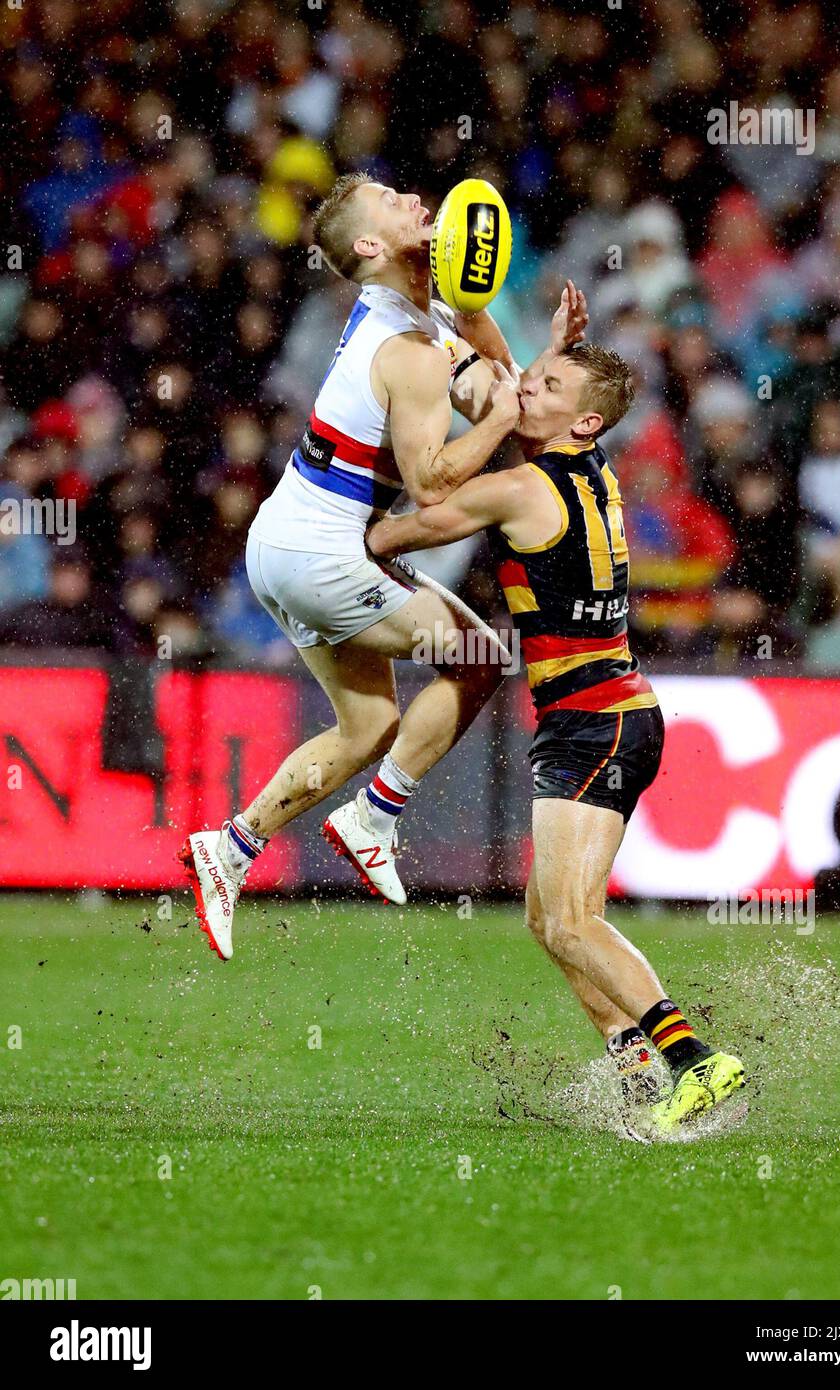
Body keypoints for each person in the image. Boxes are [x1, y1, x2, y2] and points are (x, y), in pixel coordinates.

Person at [180, 174, 587, 961]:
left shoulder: (412, 317)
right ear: (369, 246)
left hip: (286, 541)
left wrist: (530, 352)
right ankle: (372, 817)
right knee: (476, 660)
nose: (413, 200)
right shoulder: (407, 350)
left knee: (370, 724)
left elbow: (500, 396)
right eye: (392, 202)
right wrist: (503, 407)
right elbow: (434, 480)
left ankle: (229, 848)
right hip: (324, 552)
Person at [367, 340, 746, 1134]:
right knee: (549, 921)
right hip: (602, 715)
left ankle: (694, 1061)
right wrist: (543, 352)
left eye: (541, 385)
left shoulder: (518, 489)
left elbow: (390, 538)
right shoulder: (590, 465)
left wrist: (329, 511)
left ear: (583, 419)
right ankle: (637, 1069)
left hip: (595, 725)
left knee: (572, 920)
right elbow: (547, 407)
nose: (518, 389)